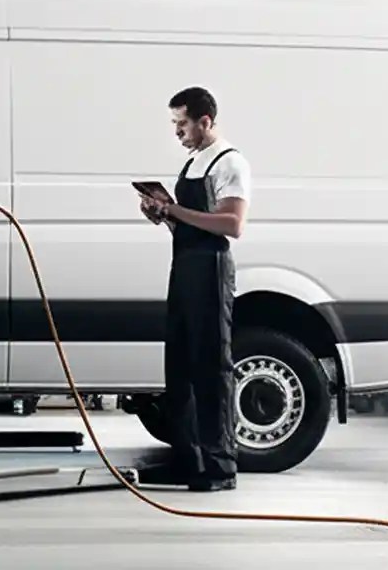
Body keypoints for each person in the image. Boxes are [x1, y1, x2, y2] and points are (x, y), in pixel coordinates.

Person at [139, 86, 251, 492]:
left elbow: (232, 224)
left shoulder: (229, 162)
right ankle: (188, 461)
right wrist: (162, 215)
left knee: (210, 367)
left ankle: (219, 467)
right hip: (184, 266)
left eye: (182, 123)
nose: (177, 132)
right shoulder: (193, 162)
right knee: (181, 367)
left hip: (210, 269)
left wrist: (174, 210)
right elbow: (189, 220)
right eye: (175, 124)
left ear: (205, 121)